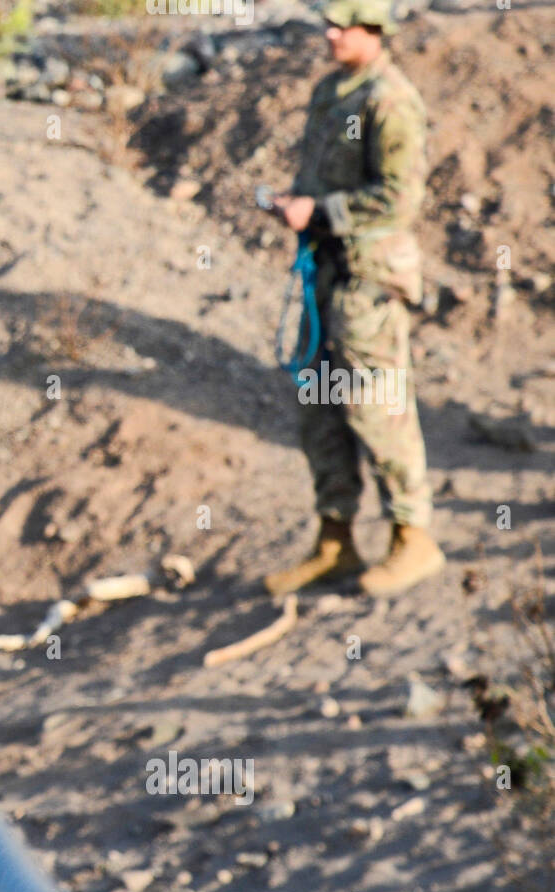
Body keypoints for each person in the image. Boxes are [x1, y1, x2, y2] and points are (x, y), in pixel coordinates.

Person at [264, 0, 443, 598]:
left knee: (377, 405)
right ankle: (335, 540)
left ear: (374, 30)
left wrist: (322, 212)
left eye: (344, 24)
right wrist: (299, 205)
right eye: (329, 22)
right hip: (326, 276)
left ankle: (412, 539)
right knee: (318, 409)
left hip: (368, 280)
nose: (331, 32)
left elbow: (400, 199)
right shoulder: (331, 91)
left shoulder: (389, 100)